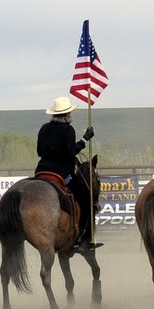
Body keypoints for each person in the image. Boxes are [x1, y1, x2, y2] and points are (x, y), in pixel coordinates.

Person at [36, 96, 97, 253]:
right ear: (66, 114)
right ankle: (84, 238)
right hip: (62, 174)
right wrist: (85, 139)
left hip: (41, 172)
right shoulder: (68, 130)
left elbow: (39, 151)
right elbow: (70, 153)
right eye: (70, 113)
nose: (71, 115)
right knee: (86, 196)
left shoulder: (44, 128)